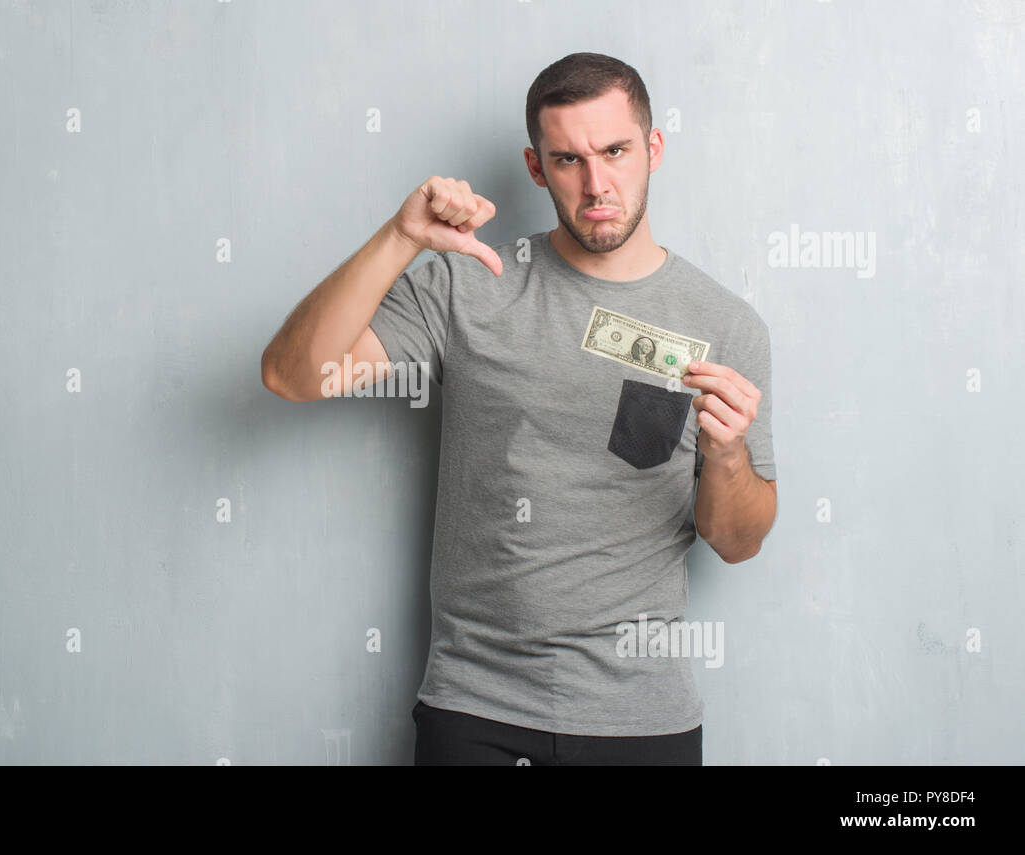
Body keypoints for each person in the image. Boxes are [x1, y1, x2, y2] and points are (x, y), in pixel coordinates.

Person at [260, 52, 778, 765]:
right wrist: (401, 237)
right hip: (476, 706)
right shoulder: (470, 287)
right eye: (568, 159)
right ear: (536, 168)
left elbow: (738, 540)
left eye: (616, 152)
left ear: (653, 149)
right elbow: (293, 374)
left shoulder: (726, 324)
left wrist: (726, 454)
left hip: (641, 717)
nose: (597, 184)